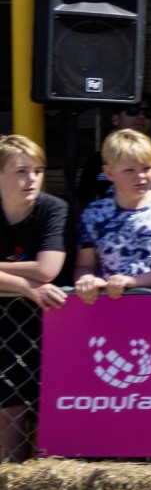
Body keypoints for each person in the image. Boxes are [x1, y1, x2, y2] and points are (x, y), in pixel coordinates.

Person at [74, 129, 151, 301]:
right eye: (129, 170)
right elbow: (84, 265)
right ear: (109, 173)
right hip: (110, 312)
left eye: (147, 168)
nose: (141, 176)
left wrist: (134, 282)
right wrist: (86, 279)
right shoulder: (93, 213)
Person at [0, 135, 67, 462]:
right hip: (5, 324)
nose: (32, 180)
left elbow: (48, 269)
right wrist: (26, 287)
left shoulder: (53, 208)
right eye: (21, 171)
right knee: (7, 410)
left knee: (53, 408)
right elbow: (35, 279)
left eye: (38, 171)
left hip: (46, 323)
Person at [77, 94, 151, 207]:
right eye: (133, 110)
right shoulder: (97, 161)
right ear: (115, 119)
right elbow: (82, 204)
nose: (141, 116)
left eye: (147, 113)